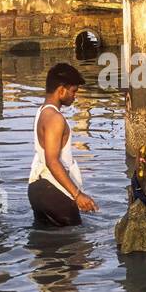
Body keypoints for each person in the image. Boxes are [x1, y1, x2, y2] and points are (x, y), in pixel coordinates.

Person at [28, 62, 98, 226]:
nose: (75, 96)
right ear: (61, 90)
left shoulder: (42, 112)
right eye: (73, 91)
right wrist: (77, 195)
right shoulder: (55, 118)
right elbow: (52, 161)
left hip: (36, 189)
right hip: (55, 193)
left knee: (47, 247)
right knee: (76, 248)